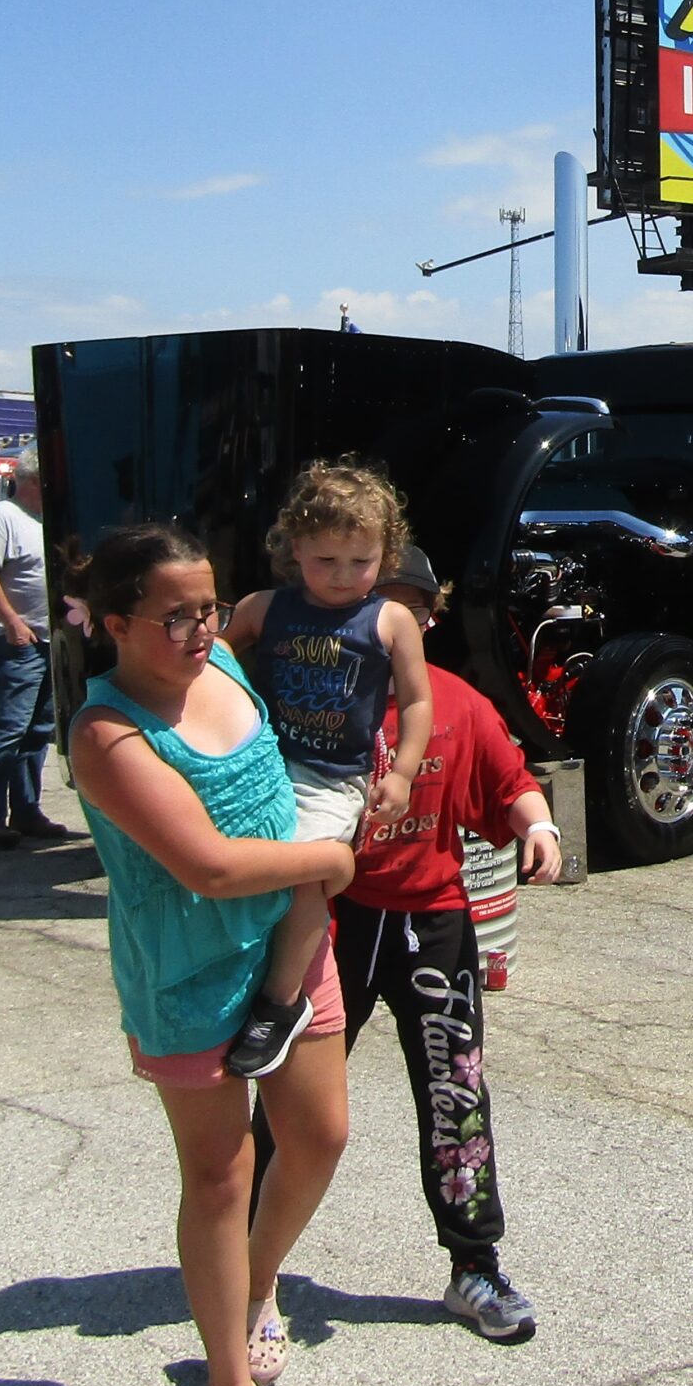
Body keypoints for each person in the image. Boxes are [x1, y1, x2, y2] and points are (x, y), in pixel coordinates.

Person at [66, 523, 357, 1386]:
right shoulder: (104, 733)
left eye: (206, 607)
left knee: (318, 1136)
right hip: (189, 976)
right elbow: (207, 862)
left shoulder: (227, 660)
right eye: (175, 615)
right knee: (221, 1174)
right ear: (114, 622)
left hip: (288, 944)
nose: (200, 629)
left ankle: (255, 1283)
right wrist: (328, 859)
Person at [250, 547, 563, 1342]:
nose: (391, 625)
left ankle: (474, 1266)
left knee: (455, 1092)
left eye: (411, 609)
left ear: (427, 619)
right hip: (334, 919)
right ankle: (246, 1260)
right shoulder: (303, 700)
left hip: (433, 920)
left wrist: (540, 828)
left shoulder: (453, 703)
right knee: (288, 1093)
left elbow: (511, 779)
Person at [219, 462, 432, 1081]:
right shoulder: (265, 608)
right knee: (247, 871)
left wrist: (404, 773)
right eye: (325, 562)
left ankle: (281, 1003)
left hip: (334, 776)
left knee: (305, 873)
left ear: (386, 555)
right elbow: (217, 664)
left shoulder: (389, 620)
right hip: (263, 765)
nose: (343, 578)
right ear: (294, 551)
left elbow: (417, 701)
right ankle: (246, 973)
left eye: (360, 562)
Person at [0, 448, 68, 849]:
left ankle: (26, 810)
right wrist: (11, 622)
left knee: (39, 731)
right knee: (11, 728)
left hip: (48, 640)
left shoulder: (47, 522)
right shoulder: (1, 518)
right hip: (17, 643)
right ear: (31, 481)